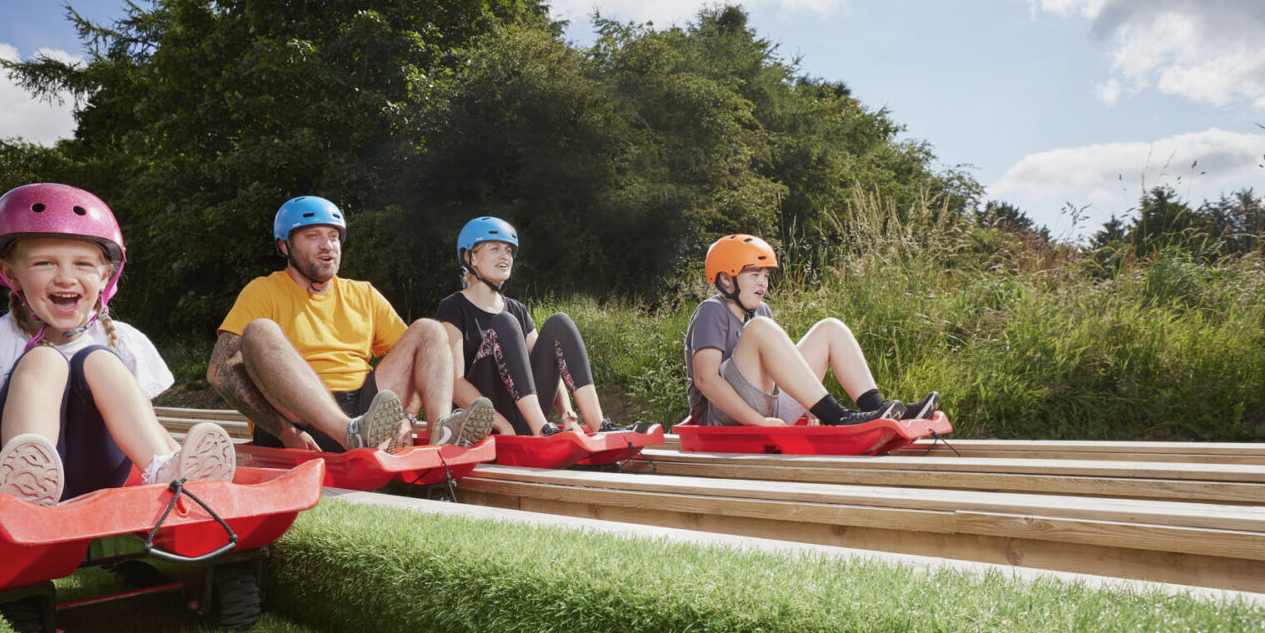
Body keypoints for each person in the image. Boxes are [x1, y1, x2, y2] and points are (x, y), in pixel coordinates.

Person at [0, 183, 235, 506]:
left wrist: (176, 453)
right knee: (44, 360)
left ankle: (169, 472)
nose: (65, 278)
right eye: (45, 263)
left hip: (97, 474)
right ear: (11, 274)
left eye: (83, 264)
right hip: (13, 481)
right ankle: (27, 484)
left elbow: (144, 423)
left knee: (99, 360)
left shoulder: (123, 342)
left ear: (104, 276)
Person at [209, 195, 495, 452]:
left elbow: (420, 361)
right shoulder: (263, 290)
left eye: (333, 236)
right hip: (303, 418)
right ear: (285, 245)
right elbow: (220, 370)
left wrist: (406, 418)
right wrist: (284, 431)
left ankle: (440, 433)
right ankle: (348, 434)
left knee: (430, 330)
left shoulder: (363, 293)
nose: (327, 245)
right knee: (260, 330)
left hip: (370, 414)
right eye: (312, 236)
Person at [686, 234, 939, 428]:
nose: (762, 282)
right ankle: (838, 417)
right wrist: (759, 423)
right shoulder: (712, 310)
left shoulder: (760, 311)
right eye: (753, 274)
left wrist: (806, 403)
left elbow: (777, 369)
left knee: (831, 328)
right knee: (760, 329)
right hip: (723, 418)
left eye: (765, 275)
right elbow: (706, 380)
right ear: (726, 279)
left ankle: (882, 410)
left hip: (767, 406)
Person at [436, 216, 642, 437]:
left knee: (559, 323)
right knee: (504, 323)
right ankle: (541, 430)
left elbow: (551, 361)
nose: (505, 255)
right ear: (471, 258)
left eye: (508, 250)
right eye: (494, 249)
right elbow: (455, 383)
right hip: (486, 422)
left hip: (524, 418)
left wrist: (566, 413)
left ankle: (598, 425)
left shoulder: (518, 310)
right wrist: (501, 424)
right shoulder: (453, 307)